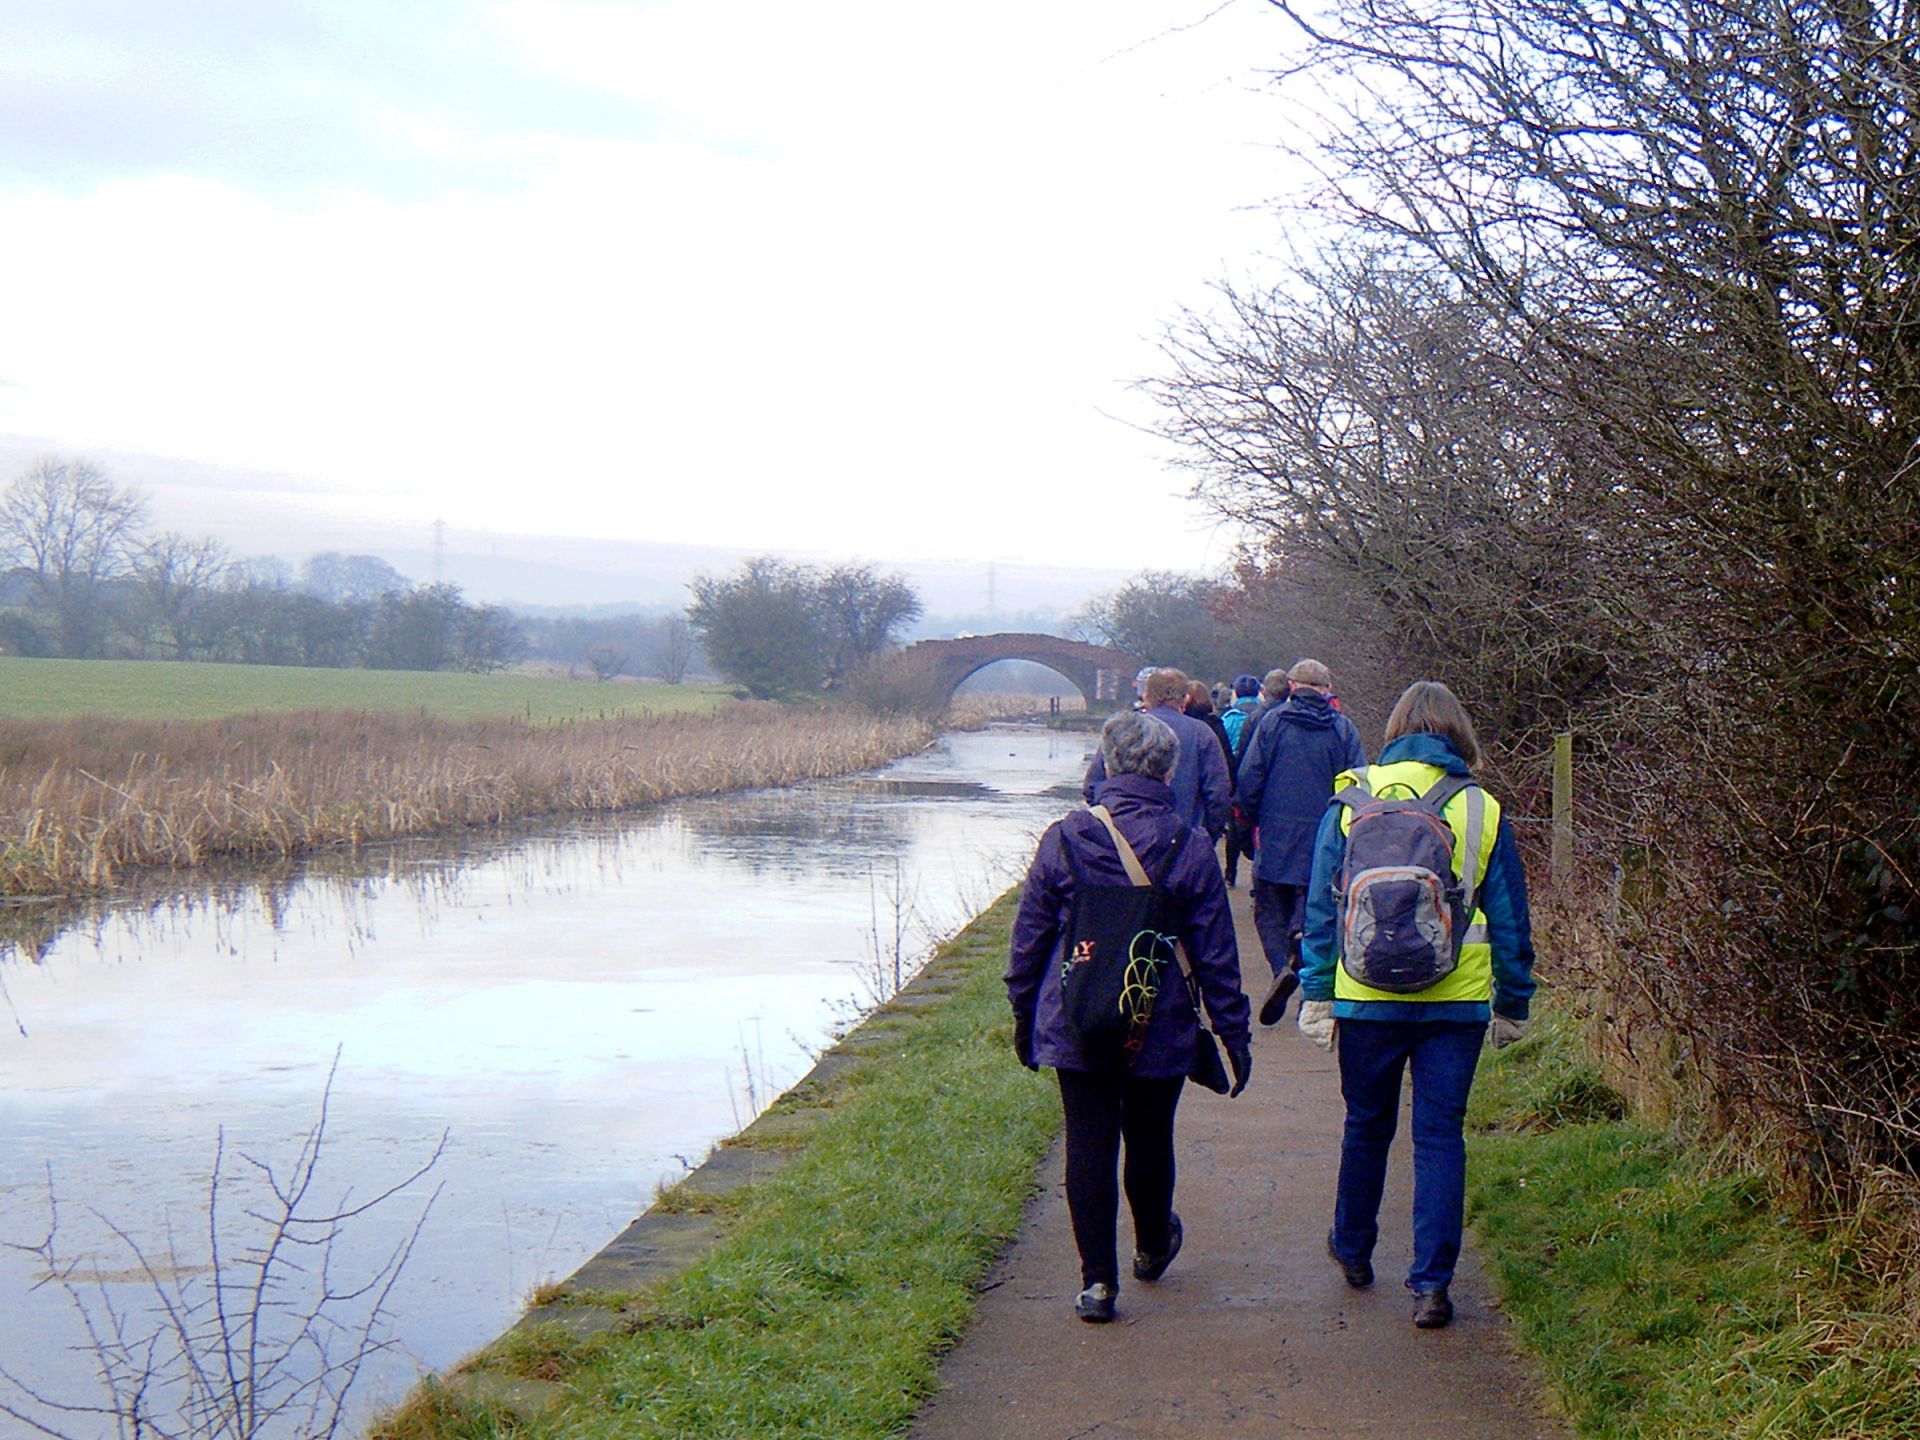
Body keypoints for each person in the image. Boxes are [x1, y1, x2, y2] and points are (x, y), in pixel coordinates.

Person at [1295, 680, 1536, 1329]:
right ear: (1459, 734)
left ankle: (1353, 1248)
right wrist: (1514, 1001)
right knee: (1438, 1137)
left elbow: (1321, 910)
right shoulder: (1480, 807)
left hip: (1365, 997)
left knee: (1365, 1125)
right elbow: (1510, 918)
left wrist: (1317, 993)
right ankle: (1431, 1286)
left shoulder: (1352, 797)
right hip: (1454, 1002)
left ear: (1395, 729)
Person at [1008, 709, 1253, 1322]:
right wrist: (1233, 1034)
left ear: (1107, 763)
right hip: (1158, 1019)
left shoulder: (1065, 837)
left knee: (1088, 1143)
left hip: (1077, 1016)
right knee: (1149, 1135)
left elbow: (1030, 939)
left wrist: (1023, 1012)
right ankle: (1150, 1246)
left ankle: (1097, 1283)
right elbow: (1216, 954)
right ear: (1168, 771)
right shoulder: (1188, 845)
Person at [1234, 659, 1366, 1025]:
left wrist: (1246, 822)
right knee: (1313, 910)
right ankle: (1300, 956)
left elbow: (1250, 778)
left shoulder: (1272, 723)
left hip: (1276, 834)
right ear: (1326, 690)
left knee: (1268, 909)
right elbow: (1358, 785)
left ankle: (1280, 966)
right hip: (1324, 838)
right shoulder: (1343, 729)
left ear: (1292, 686)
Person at [1083, 668, 1232, 842]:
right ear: (1185, 698)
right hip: (1181, 842)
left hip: (1121, 840)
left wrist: (1109, 823)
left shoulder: (1123, 728)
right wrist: (1206, 838)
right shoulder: (1202, 733)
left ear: (1146, 696)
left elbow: (1092, 786)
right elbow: (1218, 794)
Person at [1219, 674, 1264, 886]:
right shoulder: (1266, 715)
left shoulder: (1229, 718)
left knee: (1234, 829)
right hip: (1260, 777)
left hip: (1236, 778)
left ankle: (1230, 873)